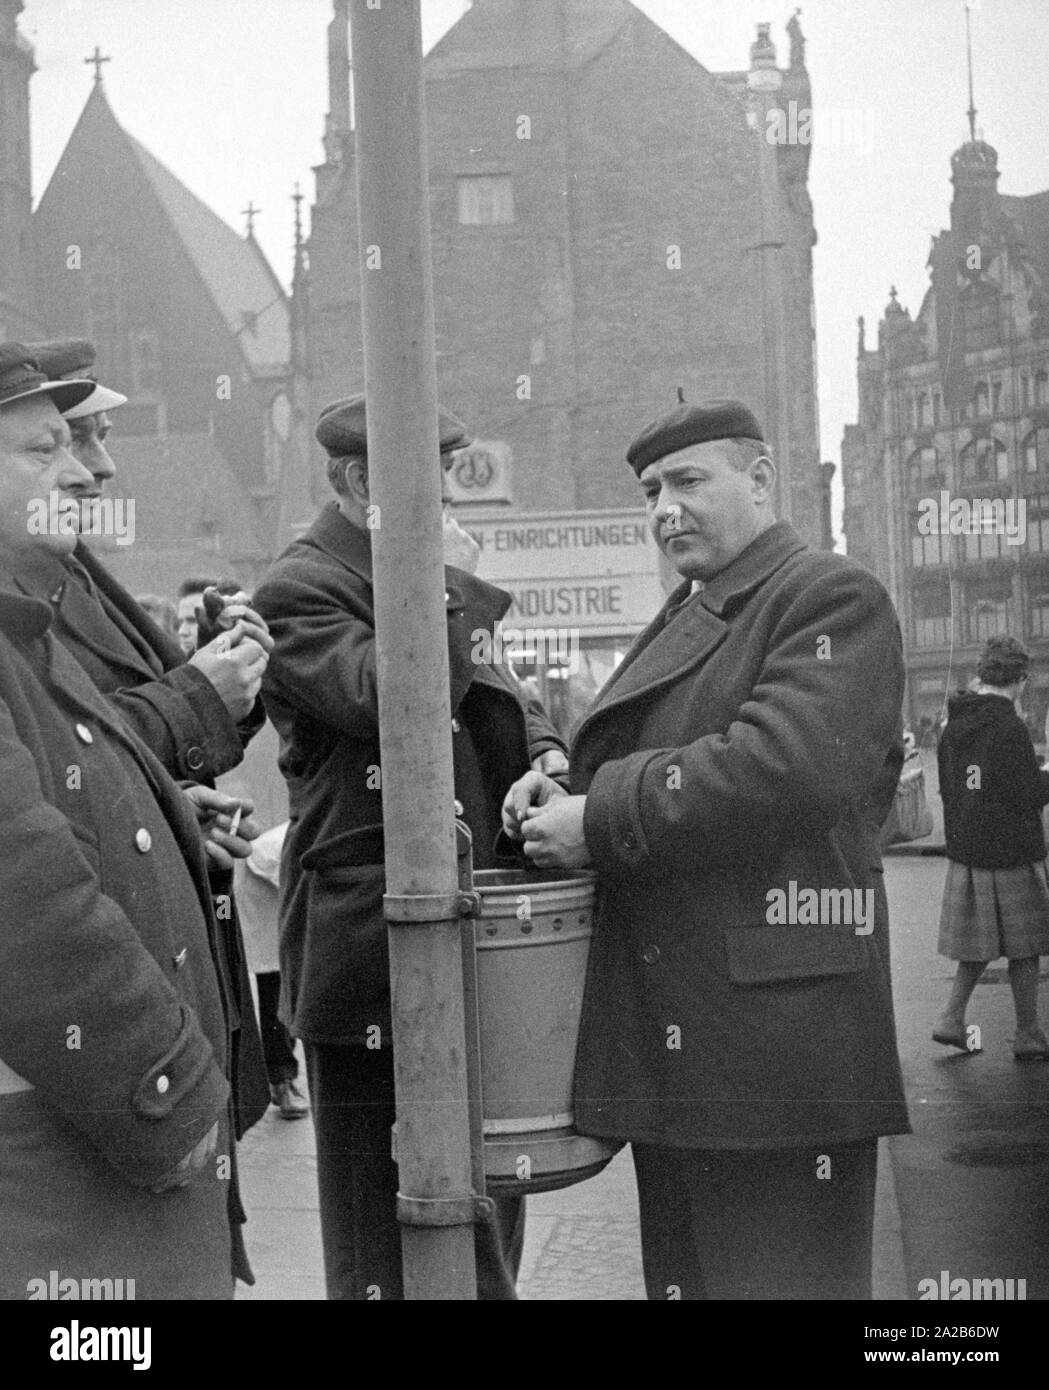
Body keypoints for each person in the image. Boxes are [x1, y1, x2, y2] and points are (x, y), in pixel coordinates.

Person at [503, 397, 909, 1301]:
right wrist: (566, 786)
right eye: (651, 490)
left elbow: (784, 767)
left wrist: (597, 817)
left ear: (759, 480)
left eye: (688, 481)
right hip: (698, 1045)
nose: (663, 509)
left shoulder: (826, 594)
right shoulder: (709, 605)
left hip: (774, 1058)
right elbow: (670, 748)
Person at [253, 394, 568, 1300]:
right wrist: (444, 585)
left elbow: (497, 684)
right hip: (369, 955)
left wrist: (543, 751)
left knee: (482, 1207)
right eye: (427, 478)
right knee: (380, 1232)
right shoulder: (301, 587)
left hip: (468, 934)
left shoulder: (418, 570)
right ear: (360, 483)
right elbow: (393, 700)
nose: (446, 495)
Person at [0, 342, 257, 1297]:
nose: (81, 471)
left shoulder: (29, 626)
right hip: (69, 1171)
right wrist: (169, 1094)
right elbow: (27, 901)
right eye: (42, 449)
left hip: (95, 1164)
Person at [934, 635, 1049, 1061]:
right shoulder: (1008, 726)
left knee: (978, 946)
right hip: (1012, 852)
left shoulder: (954, 724)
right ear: (1019, 680)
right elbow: (1025, 793)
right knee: (1026, 946)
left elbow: (952, 788)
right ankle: (1028, 1034)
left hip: (971, 850)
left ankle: (951, 1017)